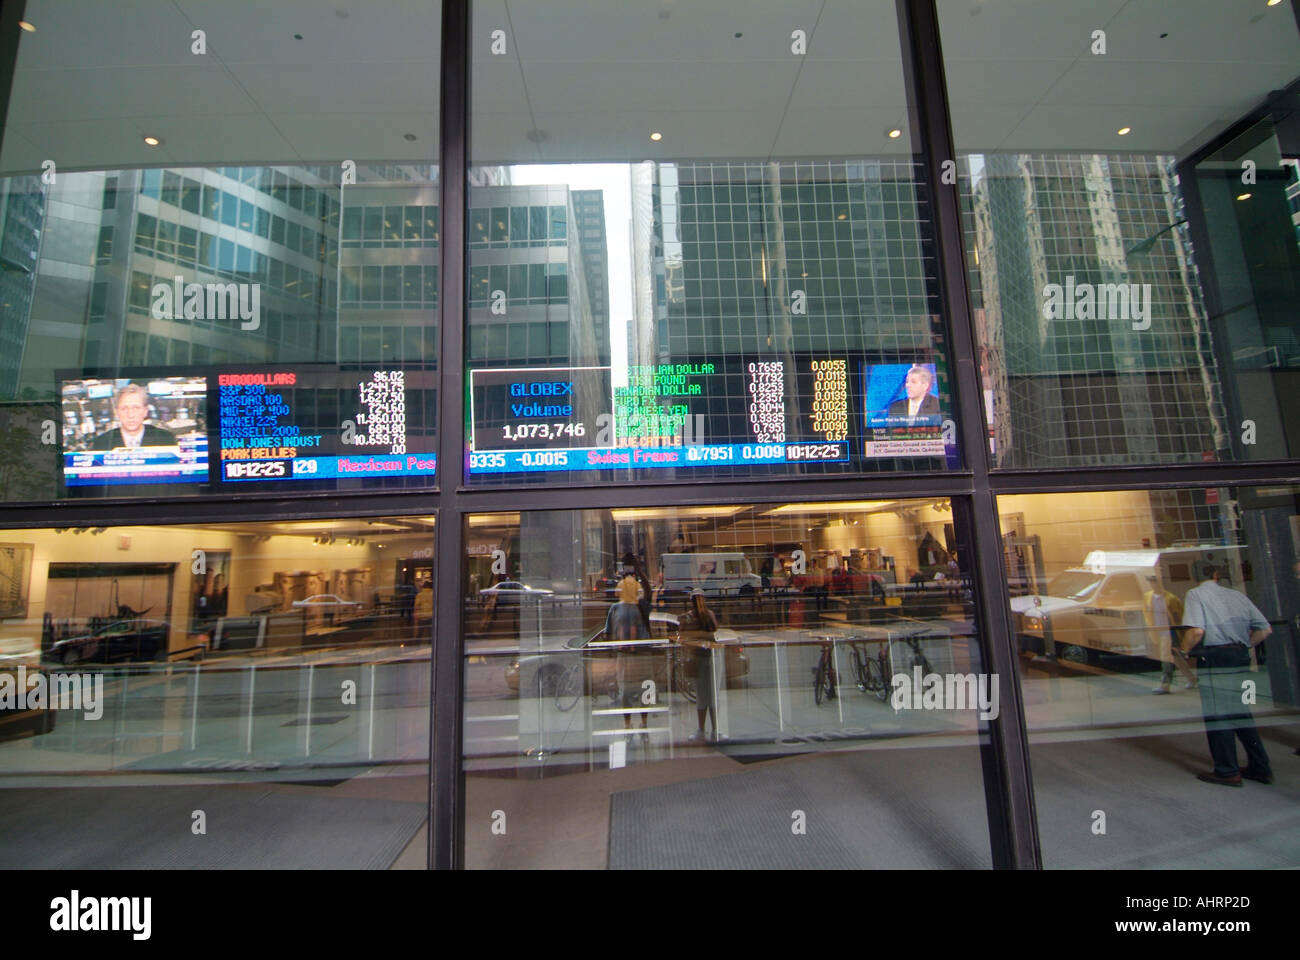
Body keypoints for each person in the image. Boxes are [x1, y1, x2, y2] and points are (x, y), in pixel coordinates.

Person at [1180, 561, 1273, 787]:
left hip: (1216, 659)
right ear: (1216, 575)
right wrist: (1245, 646)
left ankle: (1227, 771)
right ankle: (1260, 767)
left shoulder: (1196, 594)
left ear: (1195, 575)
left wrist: (1183, 651)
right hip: (1239, 657)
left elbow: (1196, 631)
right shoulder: (1237, 596)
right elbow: (1265, 629)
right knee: (1241, 712)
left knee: (1218, 715)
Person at [604, 576, 650, 732]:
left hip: (623, 657)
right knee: (644, 690)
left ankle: (627, 724)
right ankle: (644, 722)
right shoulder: (641, 608)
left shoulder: (615, 609)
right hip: (641, 656)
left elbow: (608, 633)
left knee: (625, 692)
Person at [680, 589, 721, 743]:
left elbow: (683, 635)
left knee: (702, 696)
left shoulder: (689, 617)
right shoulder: (709, 615)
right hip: (710, 658)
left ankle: (702, 729)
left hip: (698, 658)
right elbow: (715, 630)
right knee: (711, 696)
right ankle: (714, 728)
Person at [1145, 571, 1194, 694]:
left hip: (1169, 633)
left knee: (1166, 659)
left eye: (1155, 581)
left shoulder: (1171, 599)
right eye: (1151, 581)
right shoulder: (1148, 597)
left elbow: (1179, 617)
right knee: (1176, 658)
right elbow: (1147, 615)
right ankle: (1192, 679)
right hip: (1159, 632)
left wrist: (1180, 634)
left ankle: (1165, 685)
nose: (1153, 584)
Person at [90, 383, 176, 450]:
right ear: (117, 412)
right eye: (124, 408)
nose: (130, 415)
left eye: (136, 408)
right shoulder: (101, 443)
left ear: (145, 411)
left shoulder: (165, 439)